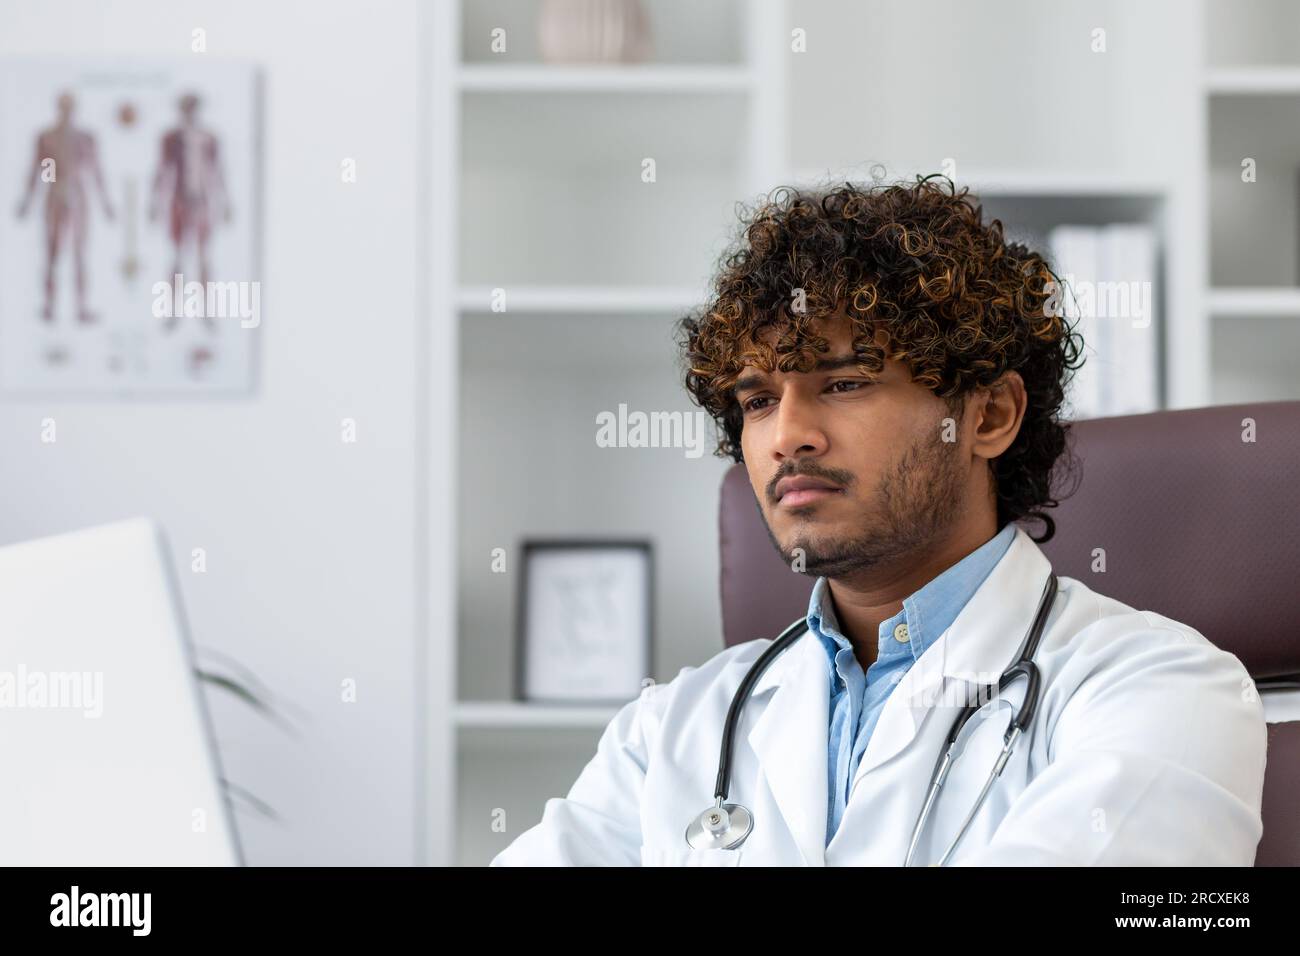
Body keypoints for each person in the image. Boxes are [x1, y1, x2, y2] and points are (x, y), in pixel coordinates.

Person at [490, 176, 1267, 866]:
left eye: (846, 383)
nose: (786, 434)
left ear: (989, 415)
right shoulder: (675, 726)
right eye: (759, 400)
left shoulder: (1159, 689)